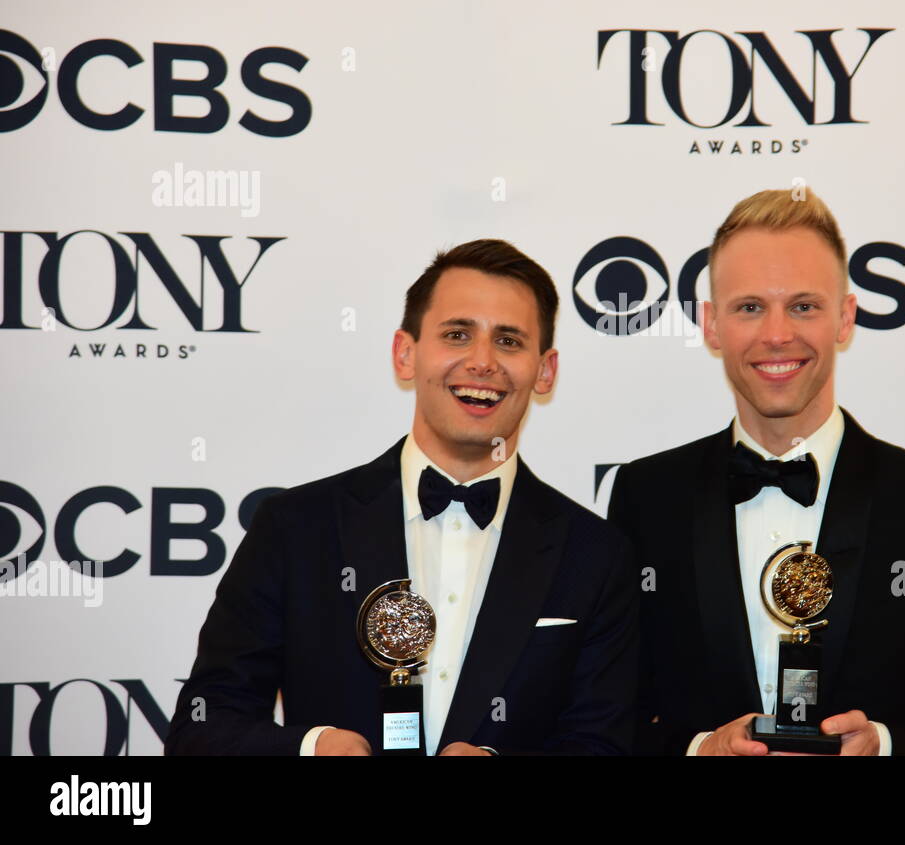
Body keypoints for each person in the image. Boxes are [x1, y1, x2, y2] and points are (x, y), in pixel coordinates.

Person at [166, 239, 637, 756]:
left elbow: (607, 745)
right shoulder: (295, 528)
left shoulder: (595, 554)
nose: (482, 363)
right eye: (457, 334)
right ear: (405, 353)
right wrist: (312, 749)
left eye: (508, 341)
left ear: (544, 370)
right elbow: (202, 728)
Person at [607, 188, 905, 755]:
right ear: (711, 326)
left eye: (803, 305)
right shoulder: (647, 499)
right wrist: (697, 750)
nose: (777, 334)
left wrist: (883, 746)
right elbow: (606, 727)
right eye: (749, 307)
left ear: (845, 318)